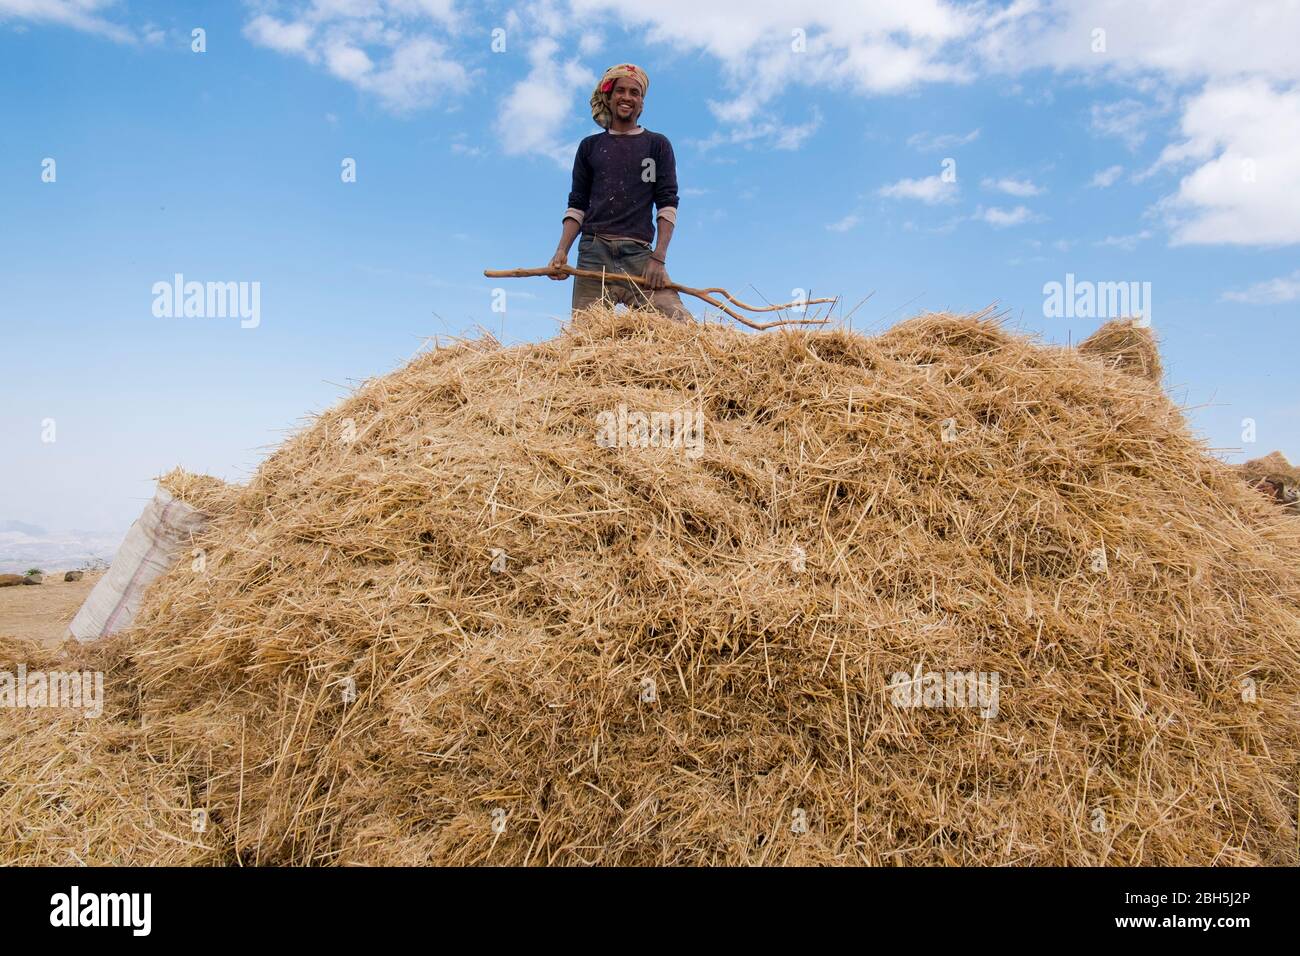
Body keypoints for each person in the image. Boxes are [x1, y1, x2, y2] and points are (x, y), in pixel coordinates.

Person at [547, 63, 692, 322]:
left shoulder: (657, 145)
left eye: (634, 93)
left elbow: (667, 202)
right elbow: (577, 204)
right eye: (621, 91)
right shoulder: (589, 147)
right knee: (584, 340)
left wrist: (658, 258)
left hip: (640, 255)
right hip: (593, 251)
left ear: (642, 103)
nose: (627, 97)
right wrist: (561, 251)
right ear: (610, 97)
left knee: (680, 324)